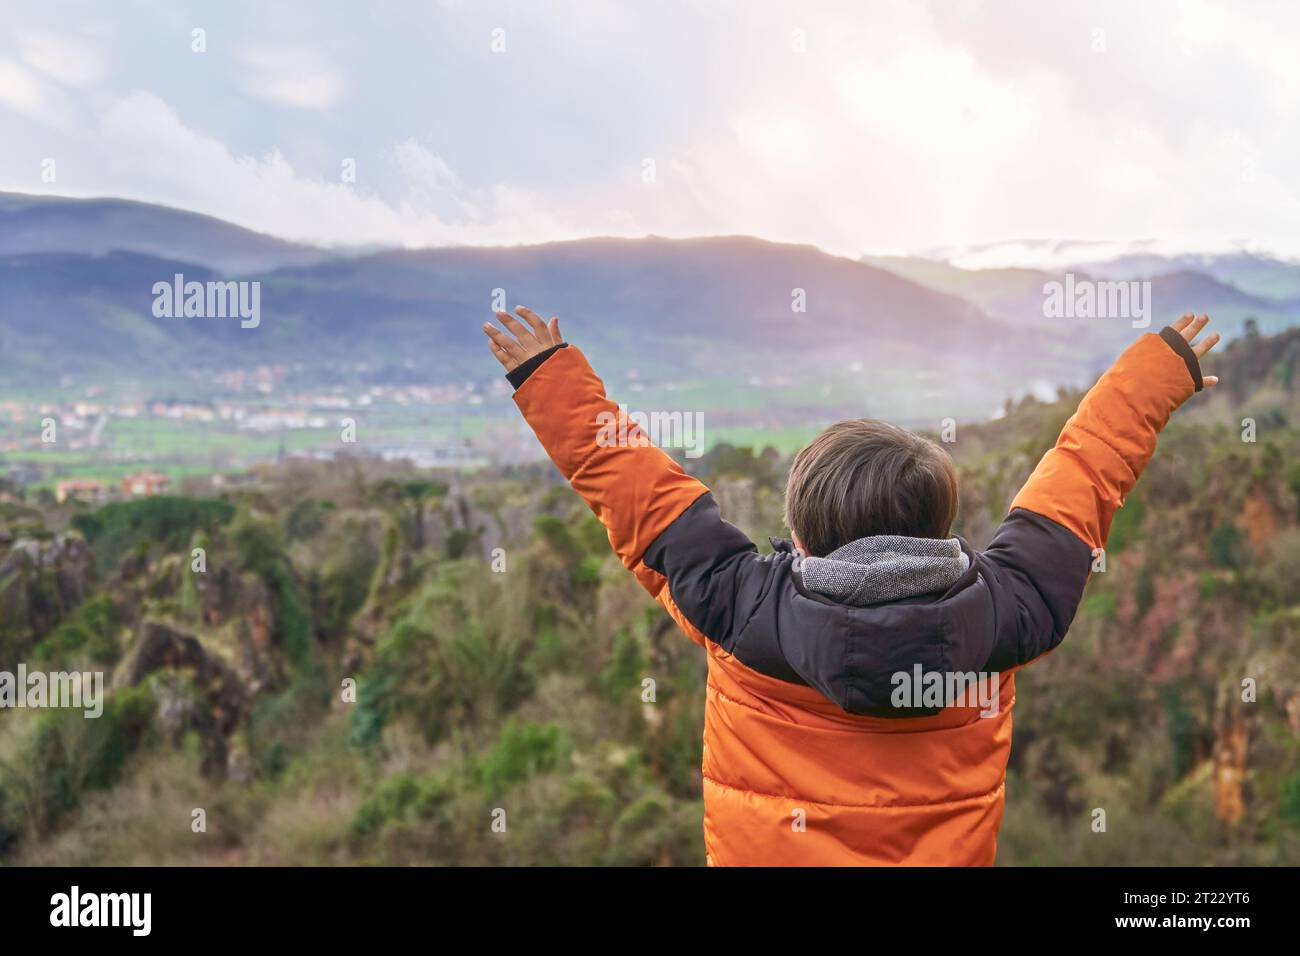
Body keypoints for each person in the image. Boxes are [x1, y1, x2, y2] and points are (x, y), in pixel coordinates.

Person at [484, 307, 1220, 865]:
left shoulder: (740, 607)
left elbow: (638, 493)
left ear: (801, 537)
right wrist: (1160, 371)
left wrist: (549, 377)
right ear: (938, 528)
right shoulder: (1011, 610)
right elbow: (1082, 473)